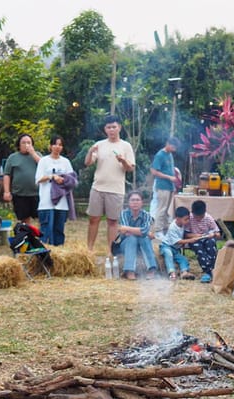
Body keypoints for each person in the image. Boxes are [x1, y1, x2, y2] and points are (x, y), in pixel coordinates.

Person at [84, 114, 135, 252]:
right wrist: (90, 152)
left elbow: (130, 168)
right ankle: (89, 250)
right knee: (93, 219)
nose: (111, 130)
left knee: (112, 222)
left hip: (116, 189)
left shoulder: (126, 146)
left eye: (114, 127)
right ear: (105, 129)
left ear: (119, 127)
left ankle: (111, 251)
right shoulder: (99, 145)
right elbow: (88, 163)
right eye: (108, 127)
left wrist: (123, 160)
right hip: (98, 187)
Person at [35, 134, 75, 246]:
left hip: (62, 203)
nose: (57, 147)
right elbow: (38, 179)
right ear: (50, 146)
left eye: (60, 145)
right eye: (55, 144)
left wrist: (64, 180)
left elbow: (72, 179)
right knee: (46, 231)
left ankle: (58, 254)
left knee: (59, 231)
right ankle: (45, 255)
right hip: (46, 202)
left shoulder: (66, 162)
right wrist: (52, 177)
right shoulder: (44, 161)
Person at [117, 191, 158, 280]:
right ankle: (129, 270)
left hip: (142, 245)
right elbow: (125, 232)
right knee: (132, 238)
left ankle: (151, 269)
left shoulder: (146, 215)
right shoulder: (124, 213)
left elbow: (142, 231)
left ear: (142, 202)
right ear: (128, 202)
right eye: (132, 200)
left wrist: (129, 229)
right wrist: (143, 231)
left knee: (144, 238)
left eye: (137, 200)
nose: (135, 202)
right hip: (126, 245)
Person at [2, 133, 41, 225]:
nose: (26, 145)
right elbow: (7, 175)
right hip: (20, 194)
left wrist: (33, 153)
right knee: (24, 219)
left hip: (37, 193)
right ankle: (27, 236)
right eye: (23, 142)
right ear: (19, 145)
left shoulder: (37, 155)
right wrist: (6, 192)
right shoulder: (13, 158)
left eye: (29, 142)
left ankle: (41, 237)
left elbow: (43, 166)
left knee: (41, 218)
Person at [184, 200, 221, 283]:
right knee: (199, 250)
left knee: (211, 245)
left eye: (201, 217)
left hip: (207, 238)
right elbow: (186, 234)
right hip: (195, 239)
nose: (198, 219)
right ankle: (209, 271)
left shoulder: (208, 218)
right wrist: (196, 235)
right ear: (192, 213)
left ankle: (211, 270)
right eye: (196, 216)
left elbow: (218, 233)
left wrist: (213, 234)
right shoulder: (189, 218)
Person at [149, 137, 180, 234]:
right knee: (161, 209)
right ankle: (157, 231)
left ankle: (166, 230)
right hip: (162, 186)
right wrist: (169, 177)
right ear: (167, 143)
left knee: (167, 210)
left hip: (170, 186)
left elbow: (170, 170)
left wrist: (174, 183)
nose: (174, 149)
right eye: (173, 147)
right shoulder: (160, 155)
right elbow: (154, 171)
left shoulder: (170, 154)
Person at [157, 206, 196, 280]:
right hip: (166, 246)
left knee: (183, 259)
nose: (187, 221)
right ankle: (172, 273)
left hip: (175, 249)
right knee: (168, 254)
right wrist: (190, 240)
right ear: (178, 219)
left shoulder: (183, 224)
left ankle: (184, 272)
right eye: (186, 219)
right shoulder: (172, 227)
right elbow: (178, 241)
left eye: (188, 219)